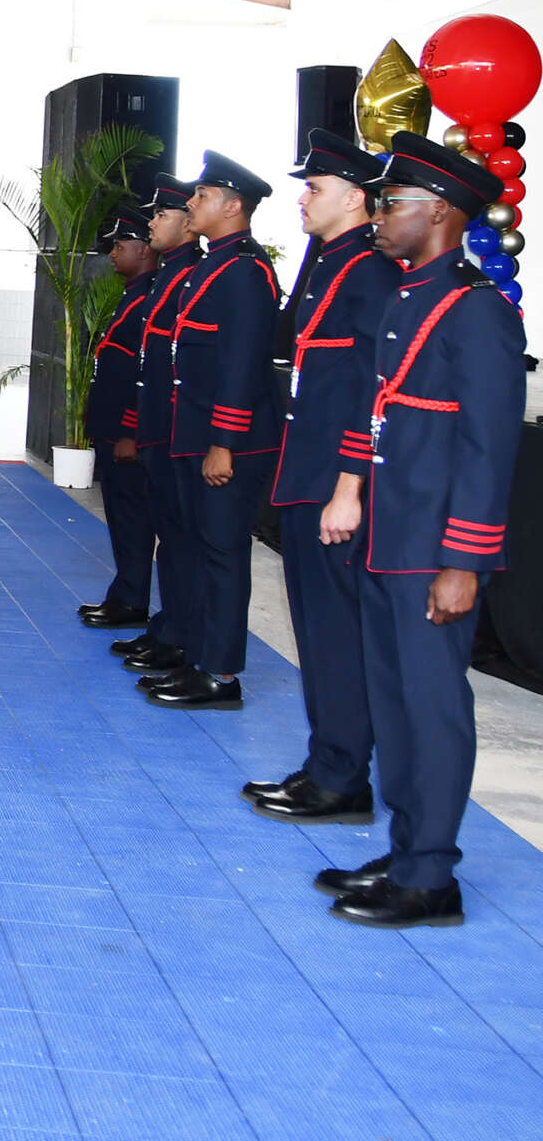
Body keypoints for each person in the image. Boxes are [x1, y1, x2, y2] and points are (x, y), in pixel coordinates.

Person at [313, 131, 520, 929]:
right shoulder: (408, 296)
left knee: (431, 706)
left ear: (438, 212)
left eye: (392, 203)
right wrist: (353, 496)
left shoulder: (477, 313)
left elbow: (488, 449)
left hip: (433, 548)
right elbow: (381, 411)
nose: (379, 215)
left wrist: (463, 561)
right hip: (387, 539)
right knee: (393, 702)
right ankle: (407, 848)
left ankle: (432, 873)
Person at [244, 131, 398, 822]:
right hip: (307, 474)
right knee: (317, 630)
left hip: (335, 483)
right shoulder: (334, 263)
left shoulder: (368, 271)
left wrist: (349, 484)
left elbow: (373, 387)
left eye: (316, 187)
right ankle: (328, 763)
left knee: (336, 633)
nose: (303, 198)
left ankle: (342, 778)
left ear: (355, 197)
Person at [138, 152, 278, 711]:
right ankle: (196, 656)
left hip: (226, 441)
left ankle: (220, 673)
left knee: (221, 554)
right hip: (194, 433)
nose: (190, 204)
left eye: (201, 196)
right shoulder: (211, 266)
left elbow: (241, 363)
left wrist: (223, 442)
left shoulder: (245, 271)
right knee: (197, 549)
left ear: (233, 205)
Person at [110, 182, 204, 675]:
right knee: (171, 539)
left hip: (178, 430)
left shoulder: (196, 276)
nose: (152, 224)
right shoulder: (172, 277)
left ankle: (185, 639)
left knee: (186, 542)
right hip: (160, 427)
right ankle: (168, 630)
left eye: (161, 215)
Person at [75, 207, 160, 632]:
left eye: (120, 246)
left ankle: (131, 599)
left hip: (127, 434)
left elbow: (142, 372)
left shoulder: (148, 299)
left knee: (131, 518)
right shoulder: (133, 294)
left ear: (143, 250)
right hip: (110, 429)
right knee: (122, 518)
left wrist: (128, 429)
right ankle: (127, 594)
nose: (112, 253)